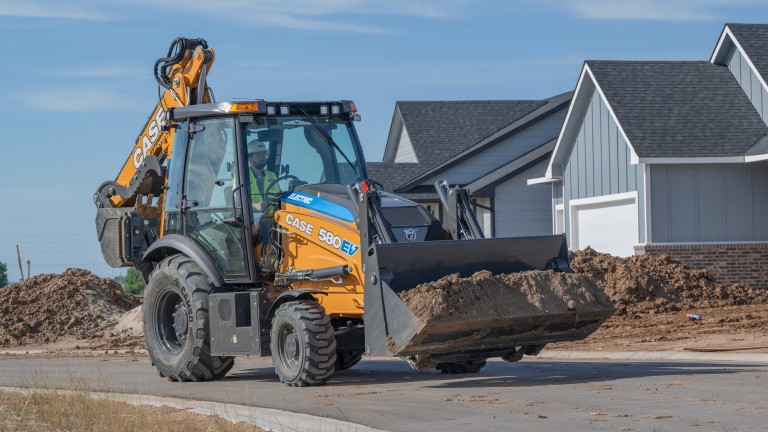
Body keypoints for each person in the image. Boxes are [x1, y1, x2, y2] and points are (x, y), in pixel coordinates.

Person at [246, 139, 280, 212]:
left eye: (264, 154)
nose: (262, 157)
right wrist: (255, 205)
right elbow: (238, 204)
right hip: (251, 219)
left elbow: (280, 196)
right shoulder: (242, 176)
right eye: (258, 154)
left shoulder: (272, 176)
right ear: (249, 158)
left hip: (272, 219)